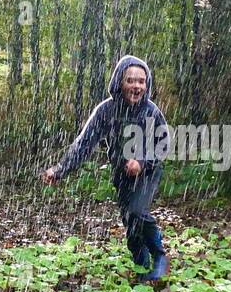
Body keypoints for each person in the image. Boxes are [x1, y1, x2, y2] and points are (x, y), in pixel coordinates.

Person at [41, 55, 170, 280]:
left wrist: (142, 162)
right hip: (122, 174)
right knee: (130, 224)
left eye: (141, 81)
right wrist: (60, 170)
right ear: (119, 82)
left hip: (148, 171)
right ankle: (142, 267)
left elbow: (164, 142)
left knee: (138, 212)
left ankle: (160, 256)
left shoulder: (151, 110)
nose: (137, 86)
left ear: (146, 85)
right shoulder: (106, 110)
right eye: (131, 80)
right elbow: (84, 143)